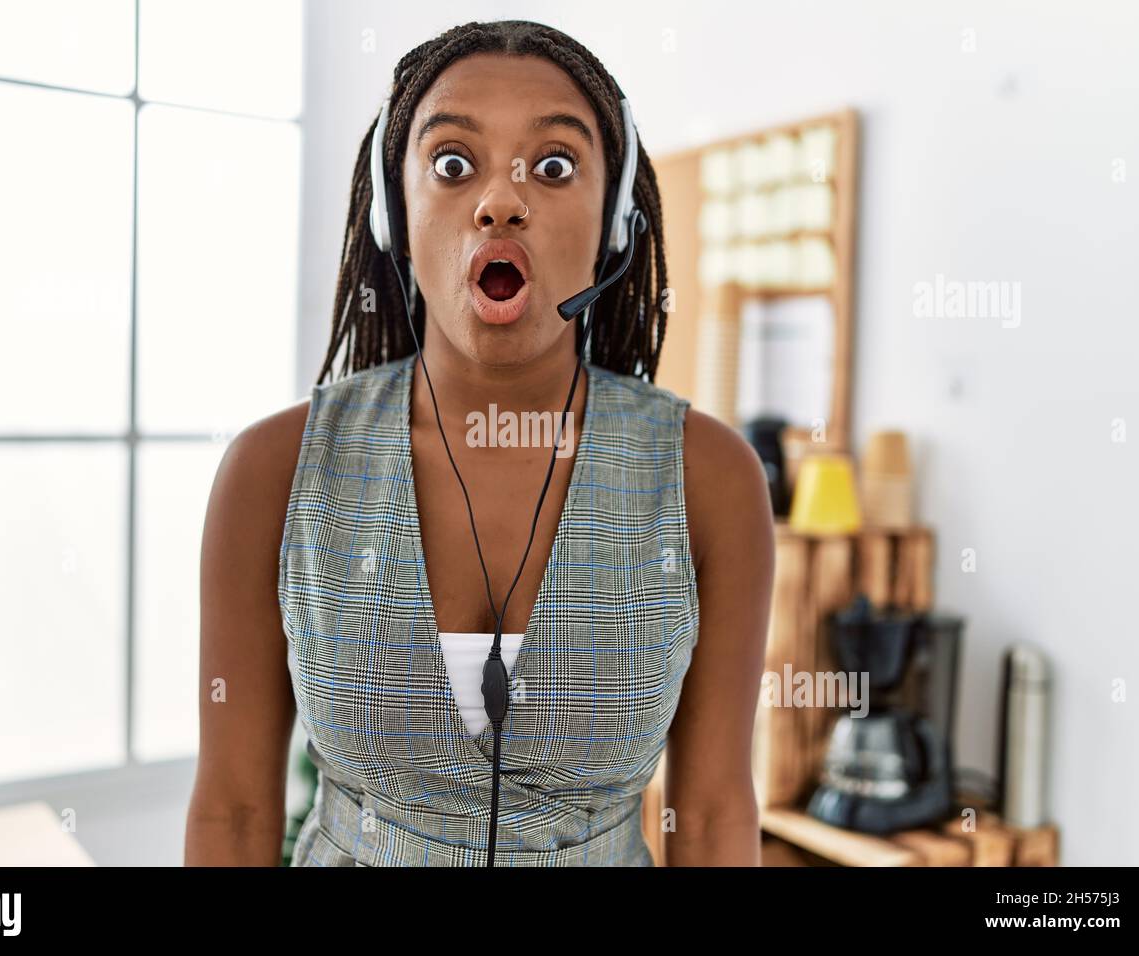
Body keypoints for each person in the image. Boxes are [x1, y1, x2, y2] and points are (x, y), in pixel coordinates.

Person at [184, 19, 774, 867]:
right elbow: (233, 813)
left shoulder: (708, 477)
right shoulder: (272, 471)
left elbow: (715, 816)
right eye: (453, 164)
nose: (501, 200)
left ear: (614, 220)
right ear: (395, 213)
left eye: (556, 165)